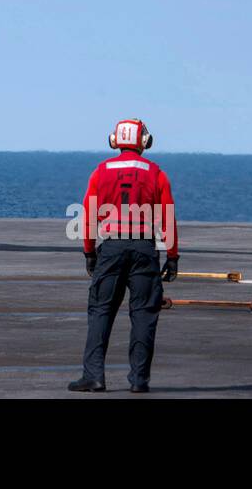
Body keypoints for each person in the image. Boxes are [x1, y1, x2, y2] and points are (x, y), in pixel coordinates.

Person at [69, 119, 179, 394]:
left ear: (114, 140)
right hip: (144, 249)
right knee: (143, 314)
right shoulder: (156, 173)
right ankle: (139, 381)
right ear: (145, 141)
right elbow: (168, 218)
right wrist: (173, 256)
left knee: (101, 311)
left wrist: (89, 252)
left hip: (112, 249)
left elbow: (89, 215)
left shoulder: (100, 172)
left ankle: (94, 377)